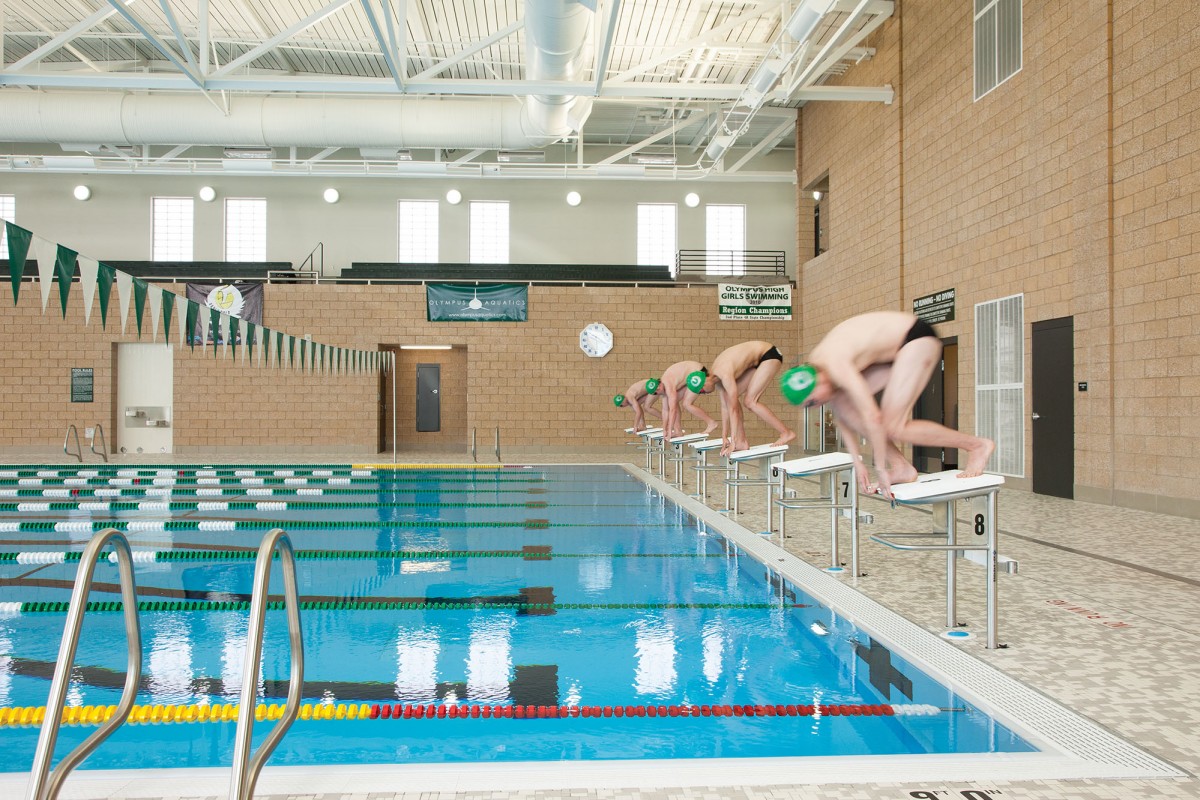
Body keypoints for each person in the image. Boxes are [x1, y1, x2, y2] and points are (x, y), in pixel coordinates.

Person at [780, 310, 995, 500]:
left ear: (818, 381)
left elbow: (873, 416)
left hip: (915, 338)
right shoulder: (820, 370)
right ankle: (902, 467)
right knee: (846, 406)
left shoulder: (837, 365)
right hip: (888, 354)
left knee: (893, 426)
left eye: (813, 401)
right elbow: (840, 414)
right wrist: (857, 461)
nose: (816, 406)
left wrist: (880, 469)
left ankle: (977, 445)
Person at [691, 341, 796, 455]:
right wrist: (724, 436)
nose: (703, 394)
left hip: (768, 355)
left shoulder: (724, 374)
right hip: (755, 361)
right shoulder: (717, 379)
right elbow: (725, 408)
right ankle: (741, 442)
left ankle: (786, 433)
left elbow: (733, 409)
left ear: (704, 382)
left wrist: (733, 442)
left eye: (701, 391)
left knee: (750, 402)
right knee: (729, 399)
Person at [656, 360, 718, 441]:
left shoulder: (669, 386)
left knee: (687, 404)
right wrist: (664, 429)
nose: (657, 390)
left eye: (657, 388)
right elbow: (665, 410)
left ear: (659, 383)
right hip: (688, 375)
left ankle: (711, 423)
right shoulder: (663, 391)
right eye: (656, 392)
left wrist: (669, 430)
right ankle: (678, 431)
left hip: (697, 372)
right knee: (673, 402)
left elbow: (672, 410)